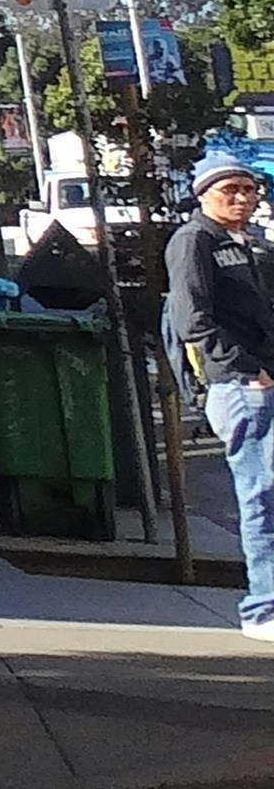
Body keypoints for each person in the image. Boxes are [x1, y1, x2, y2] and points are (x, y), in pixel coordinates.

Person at [164, 144, 274, 636]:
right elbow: (193, 320)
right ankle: (263, 609)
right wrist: (246, 370)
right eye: (231, 189)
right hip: (241, 388)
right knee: (260, 496)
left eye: (251, 190)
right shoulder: (195, 241)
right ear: (204, 194)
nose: (243, 198)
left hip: (261, 380)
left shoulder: (249, 244)